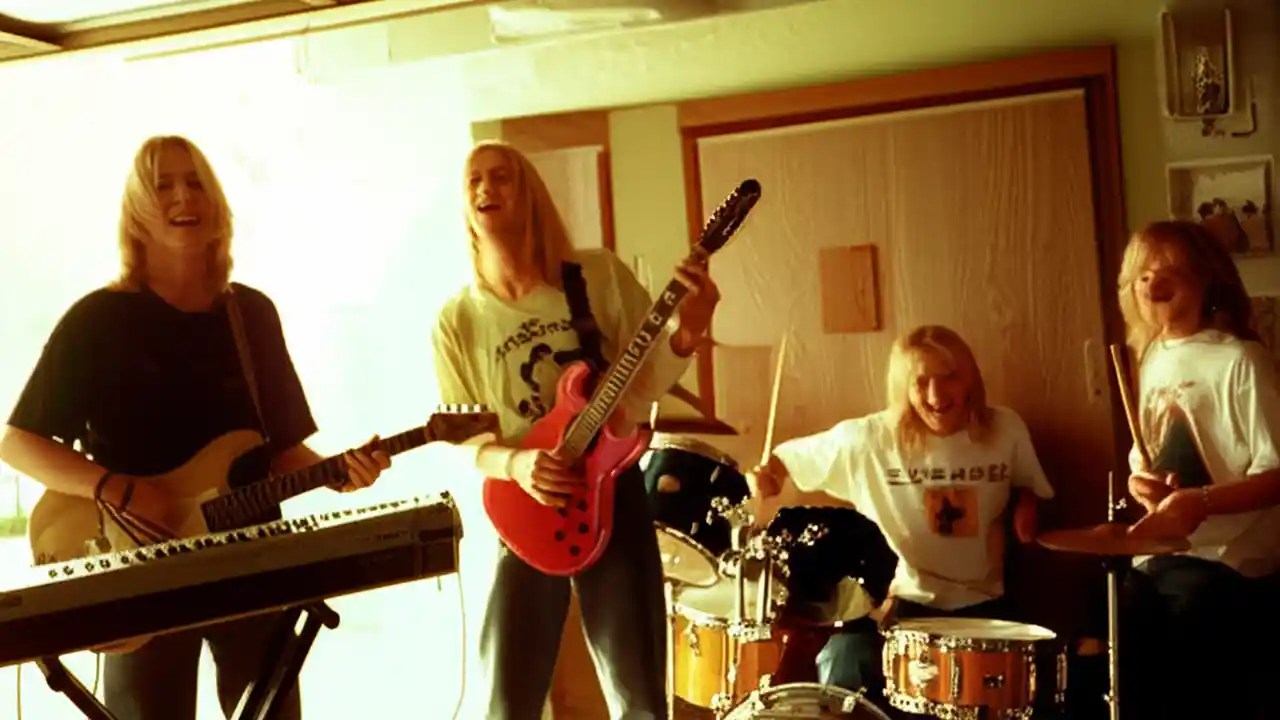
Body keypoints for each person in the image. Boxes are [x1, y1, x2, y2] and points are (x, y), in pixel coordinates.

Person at [0, 135, 390, 720]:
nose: (183, 196)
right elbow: (17, 442)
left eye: (195, 182)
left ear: (216, 203)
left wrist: (338, 473)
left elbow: (279, 450)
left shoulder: (251, 314)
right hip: (138, 565)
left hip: (252, 561)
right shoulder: (97, 321)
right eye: (163, 185)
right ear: (137, 211)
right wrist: (118, 490)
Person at [430, 140, 721, 720]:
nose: (486, 188)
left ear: (530, 192)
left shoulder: (595, 276)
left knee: (640, 697)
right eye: (474, 180)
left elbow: (643, 379)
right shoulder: (457, 319)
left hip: (613, 491)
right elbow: (464, 441)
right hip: (525, 505)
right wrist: (518, 465)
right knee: (506, 703)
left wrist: (690, 330)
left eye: (502, 176)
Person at [747, 324, 1053, 715]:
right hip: (899, 607)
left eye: (949, 377)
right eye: (921, 382)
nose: (936, 396)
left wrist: (1026, 506)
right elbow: (785, 460)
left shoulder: (1005, 428)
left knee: (1036, 686)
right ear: (903, 387)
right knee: (842, 662)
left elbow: (1028, 482)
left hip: (984, 607)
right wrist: (768, 475)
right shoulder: (869, 439)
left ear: (971, 379)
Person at [1116, 220, 1280, 720]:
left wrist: (1201, 502)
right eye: (1143, 274)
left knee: (1189, 630)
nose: (1153, 284)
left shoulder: (1240, 359)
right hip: (1164, 554)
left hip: (1230, 560)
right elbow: (1147, 457)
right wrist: (1141, 485)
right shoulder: (1151, 356)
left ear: (1206, 278)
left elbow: (1277, 474)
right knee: (1119, 613)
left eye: (1168, 270)